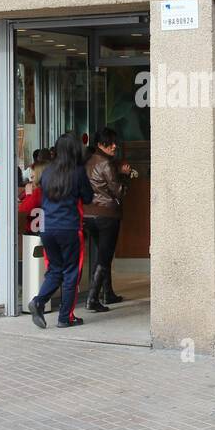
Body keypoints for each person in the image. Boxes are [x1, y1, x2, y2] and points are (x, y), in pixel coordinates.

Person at [27, 133, 93, 330]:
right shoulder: (78, 171)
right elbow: (88, 197)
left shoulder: (47, 172)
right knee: (72, 272)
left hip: (47, 228)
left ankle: (39, 301)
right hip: (69, 228)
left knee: (55, 270)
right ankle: (65, 318)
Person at [83, 127, 131, 313]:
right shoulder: (106, 163)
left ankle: (108, 293)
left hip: (88, 214)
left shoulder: (88, 161)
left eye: (114, 142)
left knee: (103, 253)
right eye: (109, 143)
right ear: (100, 145)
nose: (114, 146)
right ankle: (93, 298)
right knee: (105, 256)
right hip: (106, 215)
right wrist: (125, 178)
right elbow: (118, 191)